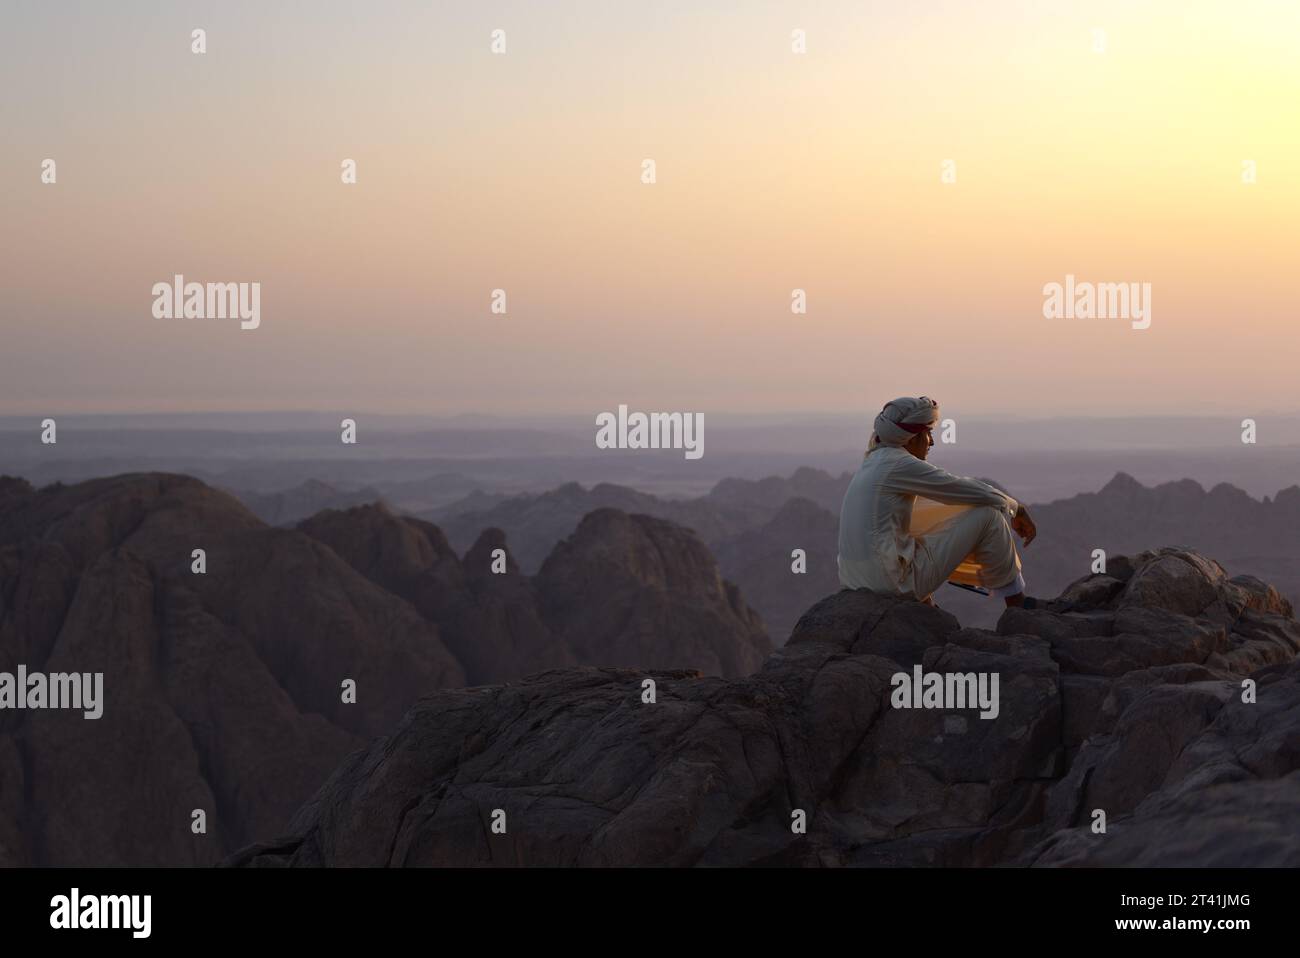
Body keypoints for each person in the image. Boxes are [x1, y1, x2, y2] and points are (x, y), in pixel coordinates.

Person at [837, 396, 1039, 608]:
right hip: (891, 585)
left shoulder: (874, 461)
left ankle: (926, 606)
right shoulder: (899, 463)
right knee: (990, 515)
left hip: (855, 582)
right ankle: (1017, 604)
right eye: (928, 434)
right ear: (912, 438)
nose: (932, 442)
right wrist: (1017, 509)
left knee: (916, 515)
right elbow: (962, 488)